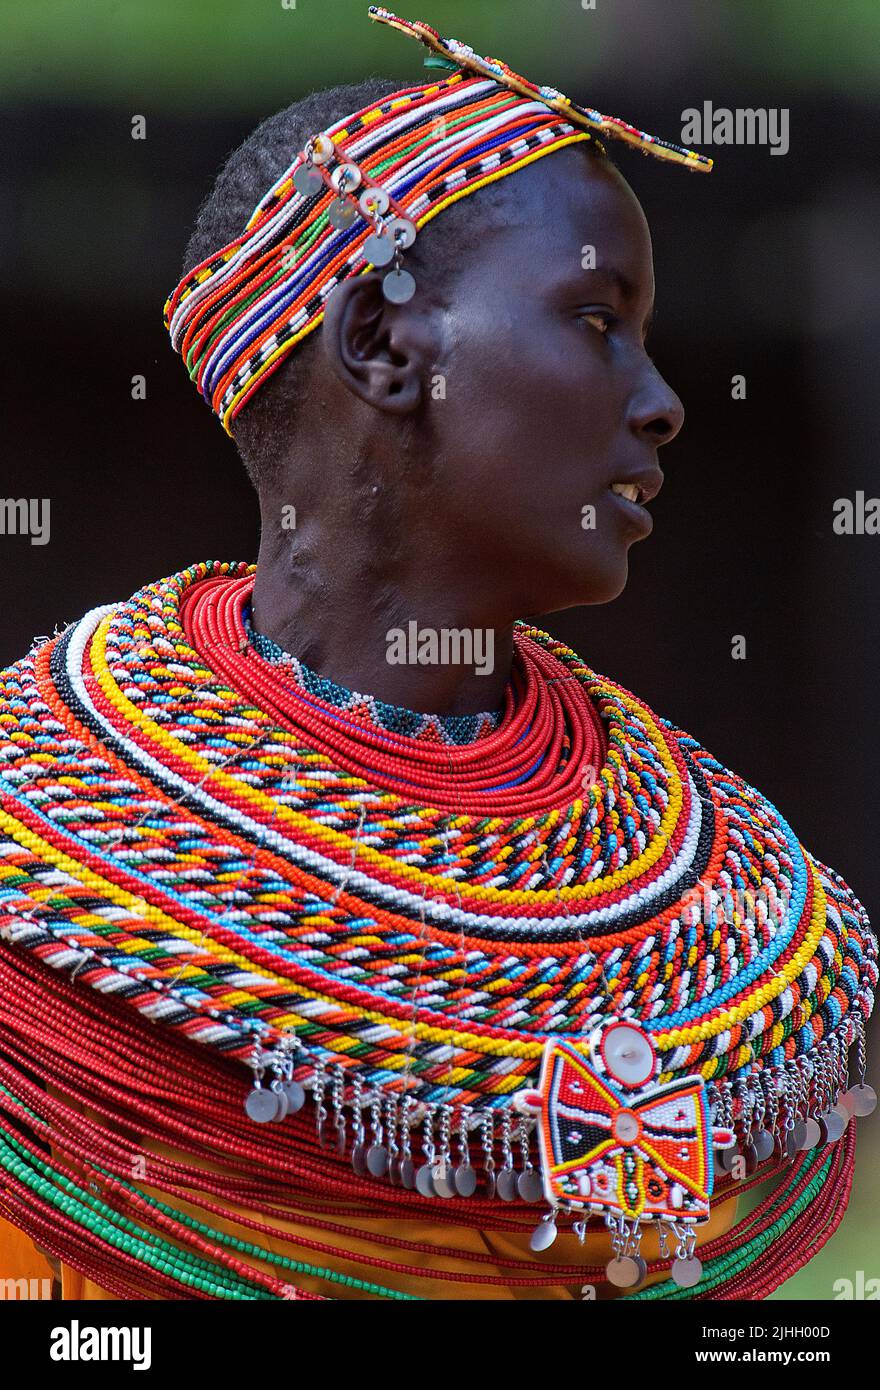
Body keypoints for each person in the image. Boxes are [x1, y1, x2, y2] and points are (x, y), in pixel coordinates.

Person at [0, 9, 875, 1302]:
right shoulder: (41, 843)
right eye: (595, 317)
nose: (660, 398)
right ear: (382, 342)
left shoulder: (689, 908)